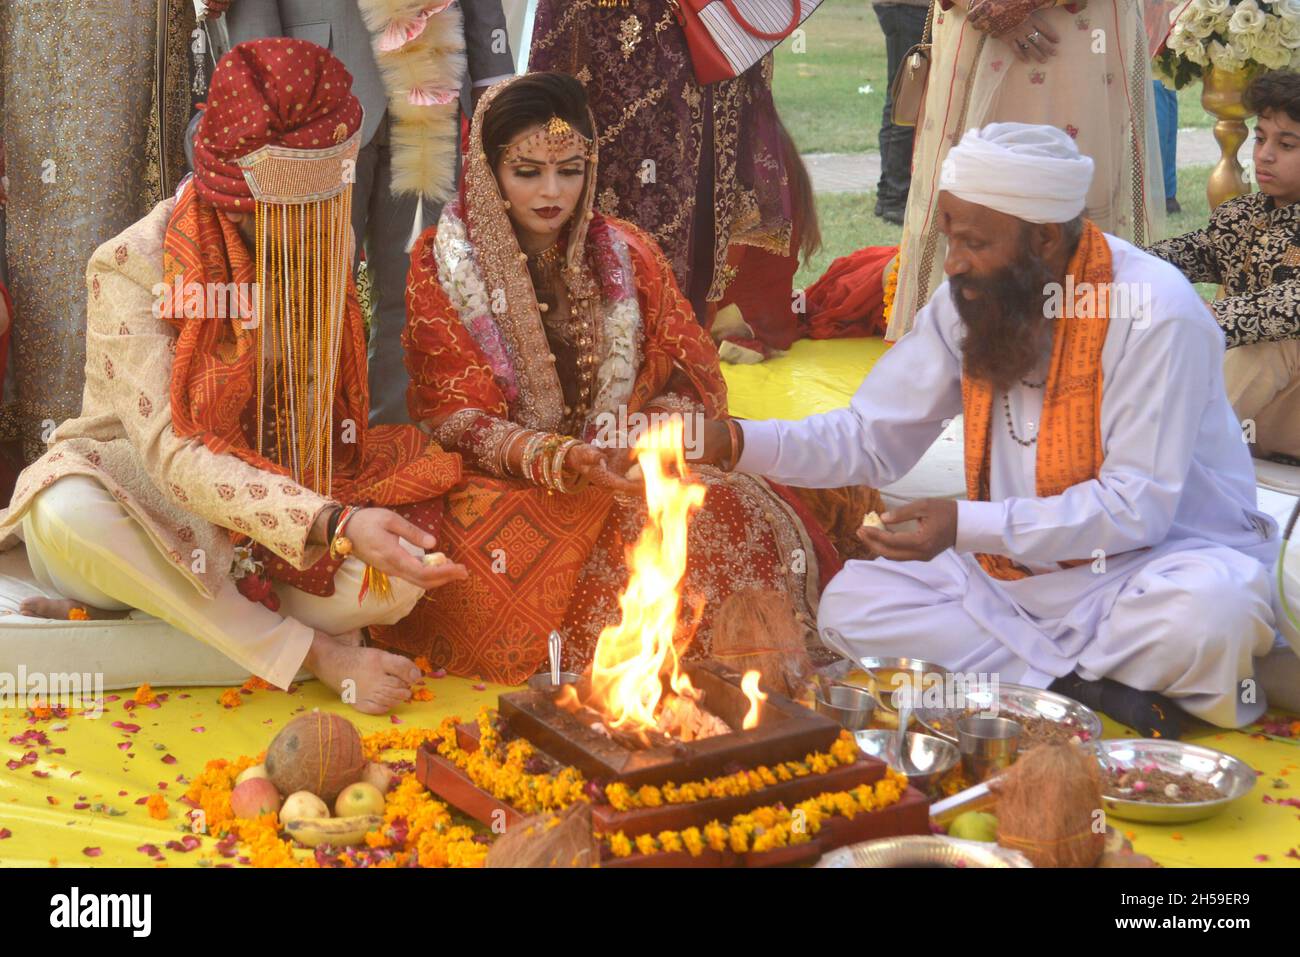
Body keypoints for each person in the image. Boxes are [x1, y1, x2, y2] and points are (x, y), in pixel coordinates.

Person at [695, 123, 1281, 736]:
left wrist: (965, 525)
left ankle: (1040, 678)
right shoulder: (967, 302)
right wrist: (737, 441)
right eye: (949, 237)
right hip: (1006, 578)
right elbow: (870, 437)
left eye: (974, 242)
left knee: (1213, 614)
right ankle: (1080, 689)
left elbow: (1136, 512)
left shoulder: (1156, 313)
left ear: (1045, 239)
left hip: (1148, 570)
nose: (953, 264)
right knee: (853, 604)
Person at [0, 40, 469, 715]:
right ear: (238, 202)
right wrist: (335, 523)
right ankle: (311, 654)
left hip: (262, 531)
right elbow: (172, 457)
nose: (314, 230)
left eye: (323, 209)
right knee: (66, 513)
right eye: (290, 214)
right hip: (135, 503)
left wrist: (339, 521)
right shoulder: (131, 262)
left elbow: (314, 433)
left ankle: (182, 633)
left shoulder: (317, 251)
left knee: (394, 584)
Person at [375, 72, 876, 684]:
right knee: (503, 550)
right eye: (527, 172)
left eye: (571, 169)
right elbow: (448, 413)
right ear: (488, 170)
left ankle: (730, 668)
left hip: (624, 464)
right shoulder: (443, 261)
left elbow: (687, 379)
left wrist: (643, 440)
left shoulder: (626, 251)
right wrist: (551, 456)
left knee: (717, 509)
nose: (552, 192)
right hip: (506, 480)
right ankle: (618, 667)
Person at [213, 0, 517, 426]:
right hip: (313, 94)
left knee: (416, 290)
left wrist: (493, 76)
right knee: (310, 286)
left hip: (434, 84)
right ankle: (307, 442)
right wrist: (264, 76)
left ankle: (395, 436)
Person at [887, 0, 1163, 340]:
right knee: (979, 187)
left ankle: (1078, 352)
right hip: (976, 35)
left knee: (1066, 187)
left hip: (1078, 40)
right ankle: (960, 349)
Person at [527, 1, 807, 332]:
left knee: (697, 203)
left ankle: (682, 349)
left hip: (702, 37)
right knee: (605, 191)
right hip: (614, 43)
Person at [1148, 70, 1300, 463]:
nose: (1265, 154)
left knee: (1274, 340)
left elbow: (1287, 307)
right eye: (1262, 138)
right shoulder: (1243, 215)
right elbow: (1186, 253)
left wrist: (1196, 316)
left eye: (1286, 144)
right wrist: (1111, 262)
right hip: (1258, 416)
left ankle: (1166, 452)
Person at [873, 0, 931, 225]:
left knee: (902, 98)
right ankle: (895, 197)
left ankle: (889, 195)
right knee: (907, 99)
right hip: (910, 9)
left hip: (908, 9)